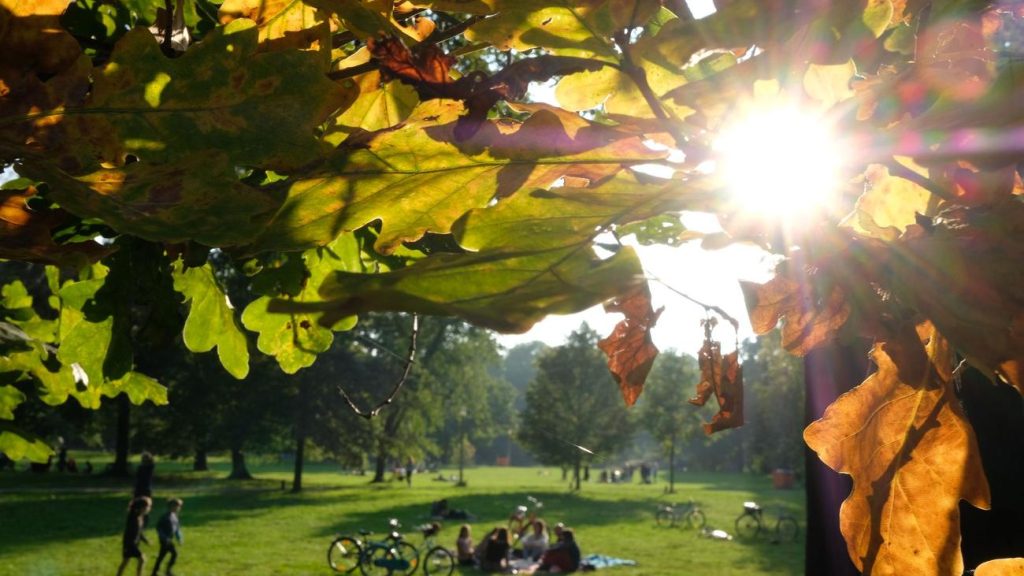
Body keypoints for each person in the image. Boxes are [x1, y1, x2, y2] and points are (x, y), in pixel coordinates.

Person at [117, 496, 152, 576]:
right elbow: (130, 532)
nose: (149, 508)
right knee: (142, 559)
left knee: (125, 561)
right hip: (129, 543)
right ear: (141, 507)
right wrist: (131, 544)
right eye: (147, 507)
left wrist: (145, 540)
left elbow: (139, 532)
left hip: (134, 543)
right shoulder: (133, 517)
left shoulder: (140, 517)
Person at [151, 498, 184, 576]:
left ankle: (155, 572)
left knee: (162, 556)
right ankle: (167, 571)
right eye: (177, 506)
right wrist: (163, 537)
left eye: (179, 507)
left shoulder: (174, 516)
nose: (178, 508)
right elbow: (158, 528)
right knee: (174, 554)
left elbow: (177, 528)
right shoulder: (165, 517)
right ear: (171, 507)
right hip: (165, 540)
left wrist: (179, 538)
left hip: (169, 539)